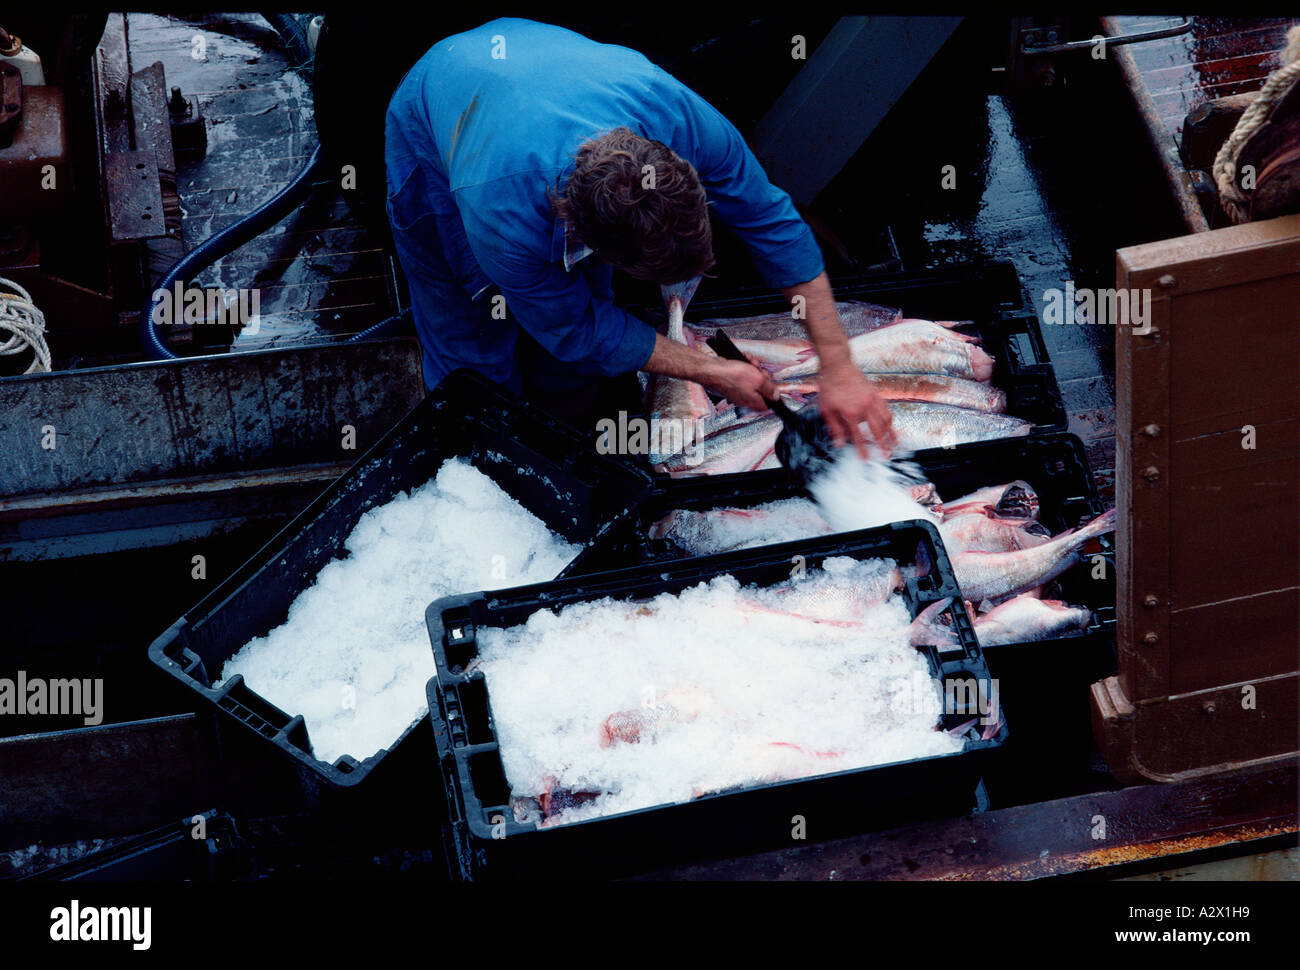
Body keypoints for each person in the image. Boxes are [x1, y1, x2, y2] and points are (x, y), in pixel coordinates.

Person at [384, 17, 896, 455]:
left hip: (539, 68)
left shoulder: (673, 113)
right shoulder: (502, 209)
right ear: (588, 238)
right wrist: (710, 371)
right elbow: (576, 330)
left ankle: (568, 434)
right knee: (474, 337)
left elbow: (771, 220)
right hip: (441, 122)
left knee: (581, 340)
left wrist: (839, 364)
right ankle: (483, 456)